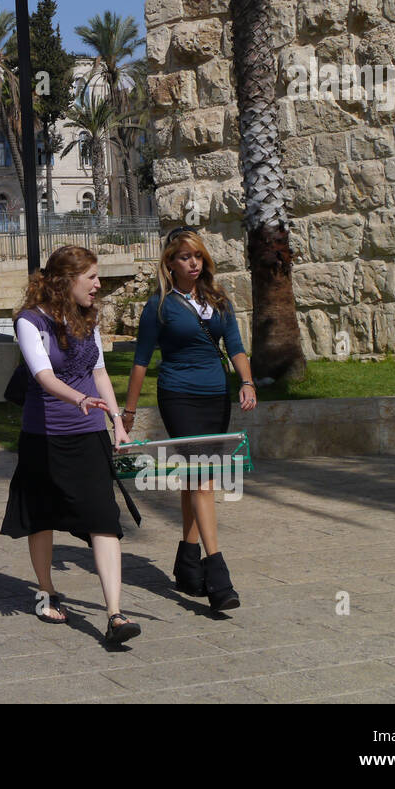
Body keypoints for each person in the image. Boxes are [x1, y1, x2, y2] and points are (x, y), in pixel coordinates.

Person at [0, 244, 141, 647]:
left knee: (103, 517)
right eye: (91, 277)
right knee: (41, 516)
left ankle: (115, 613)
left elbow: (98, 374)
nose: (98, 285)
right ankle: (46, 591)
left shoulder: (87, 317)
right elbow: (43, 376)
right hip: (43, 437)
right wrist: (77, 400)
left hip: (89, 434)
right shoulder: (30, 321)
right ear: (66, 281)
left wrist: (116, 421)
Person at [123, 226, 256, 612]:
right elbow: (140, 361)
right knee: (203, 478)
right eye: (184, 257)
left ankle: (187, 561)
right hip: (179, 395)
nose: (193, 263)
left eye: (197, 255)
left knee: (195, 477)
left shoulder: (218, 299)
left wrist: (246, 382)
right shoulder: (159, 306)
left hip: (216, 396)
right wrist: (128, 412)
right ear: (170, 263)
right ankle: (217, 573)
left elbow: (235, 345)